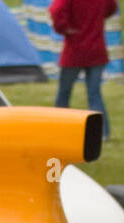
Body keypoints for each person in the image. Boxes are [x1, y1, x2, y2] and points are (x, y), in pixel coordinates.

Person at [49, 0, 117, 139]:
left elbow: (56, 10)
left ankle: (57, 129)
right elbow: (112, 7)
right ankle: (102, 133)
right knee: (95, 94)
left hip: (74, 49)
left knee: (64, 94)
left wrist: (63, 28)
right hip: (97, 49)